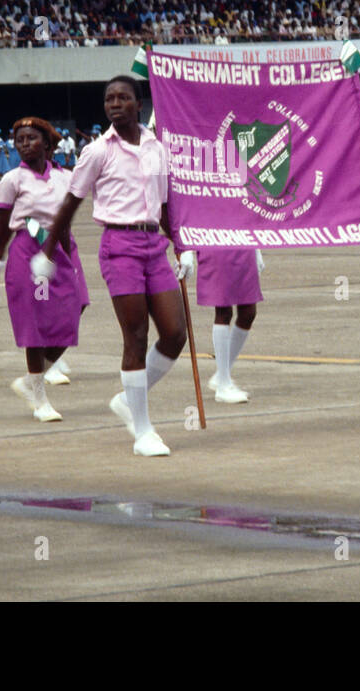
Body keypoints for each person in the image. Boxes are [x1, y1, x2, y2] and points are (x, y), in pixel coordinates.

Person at [33, 76, 189, 457]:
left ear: (140, 105)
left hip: (155, 243)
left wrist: (184, 247)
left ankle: (128, 399)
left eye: (123, 98)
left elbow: (166, 204)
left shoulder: (157, 148)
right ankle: (143, 429)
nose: (115, 104)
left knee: (174, 333)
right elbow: (70, 203)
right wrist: (48, 252)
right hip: (118, 245)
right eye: (109, 99)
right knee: (135, 336)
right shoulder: (97, 151)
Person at [0, 116, 90, 421]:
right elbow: (0, 230)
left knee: (72, 312)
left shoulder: (66, 178)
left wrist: (72, 266)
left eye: (31, 139)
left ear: (47, 143)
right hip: (28, 252)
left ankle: (31, 380)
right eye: (20, 141)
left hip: (58, 251)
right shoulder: (12, 180)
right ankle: (40, 398)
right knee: (37, 324)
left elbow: (65, 224)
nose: (25, 145)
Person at [193, 245, 263, 405]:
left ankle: (220, 375)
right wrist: (186, 250)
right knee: (224, 311)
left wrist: (257, 247)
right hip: (217, 239)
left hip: (242, 240)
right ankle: (223, 385)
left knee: (248, 312)